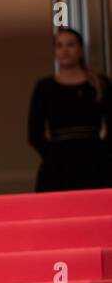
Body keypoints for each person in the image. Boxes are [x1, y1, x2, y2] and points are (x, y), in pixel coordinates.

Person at [29, 27, 111, 192]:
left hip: (94, 163)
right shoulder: (45, 87)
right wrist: (53, 155)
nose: (65, 50)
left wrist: (101, 153)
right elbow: (34, 133)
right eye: (59, 46)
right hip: (57, 166)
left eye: (70, 45)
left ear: (80, 50)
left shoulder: (99, 84)